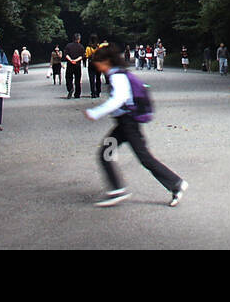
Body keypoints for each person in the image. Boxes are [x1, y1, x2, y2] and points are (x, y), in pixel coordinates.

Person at [85, 44, 188, 208]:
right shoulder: (117, 74)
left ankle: (176, 183)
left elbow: (118, 100)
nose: (95, 65)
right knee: (106, 152)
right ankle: (117, 190)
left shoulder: (117, 76)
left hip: (128, 124)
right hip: (124, 125)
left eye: (97, 61)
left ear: (106, 61)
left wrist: (95, 113)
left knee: (144, 158)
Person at [64, 33, 85, 98]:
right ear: (79, 39)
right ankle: (77, 94)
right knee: (78, 79)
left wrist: (71, 60)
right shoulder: (81, 47)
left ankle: (70, 88)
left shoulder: (68, 46)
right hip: (77, 65)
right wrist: (75, 60)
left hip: (70, 64)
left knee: (68, 78)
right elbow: (82, 56)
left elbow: (66, 55)